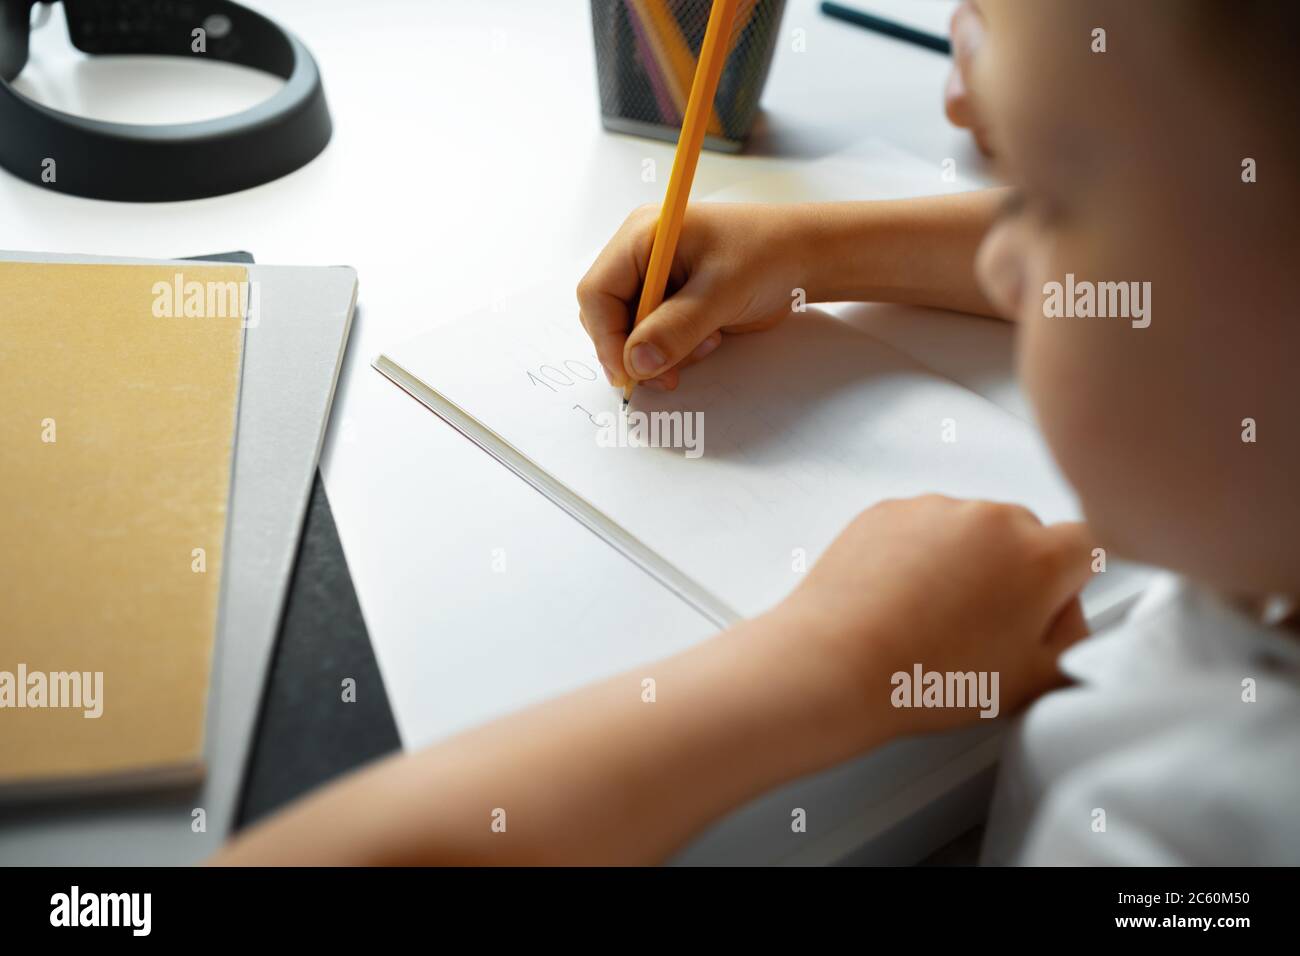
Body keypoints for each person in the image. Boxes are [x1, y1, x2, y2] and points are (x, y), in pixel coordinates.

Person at [213, 0, 1299, 865]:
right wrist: (812, 243)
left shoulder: (1176, 828)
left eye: (1045, 202)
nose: (1005, 261)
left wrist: (831, 659)